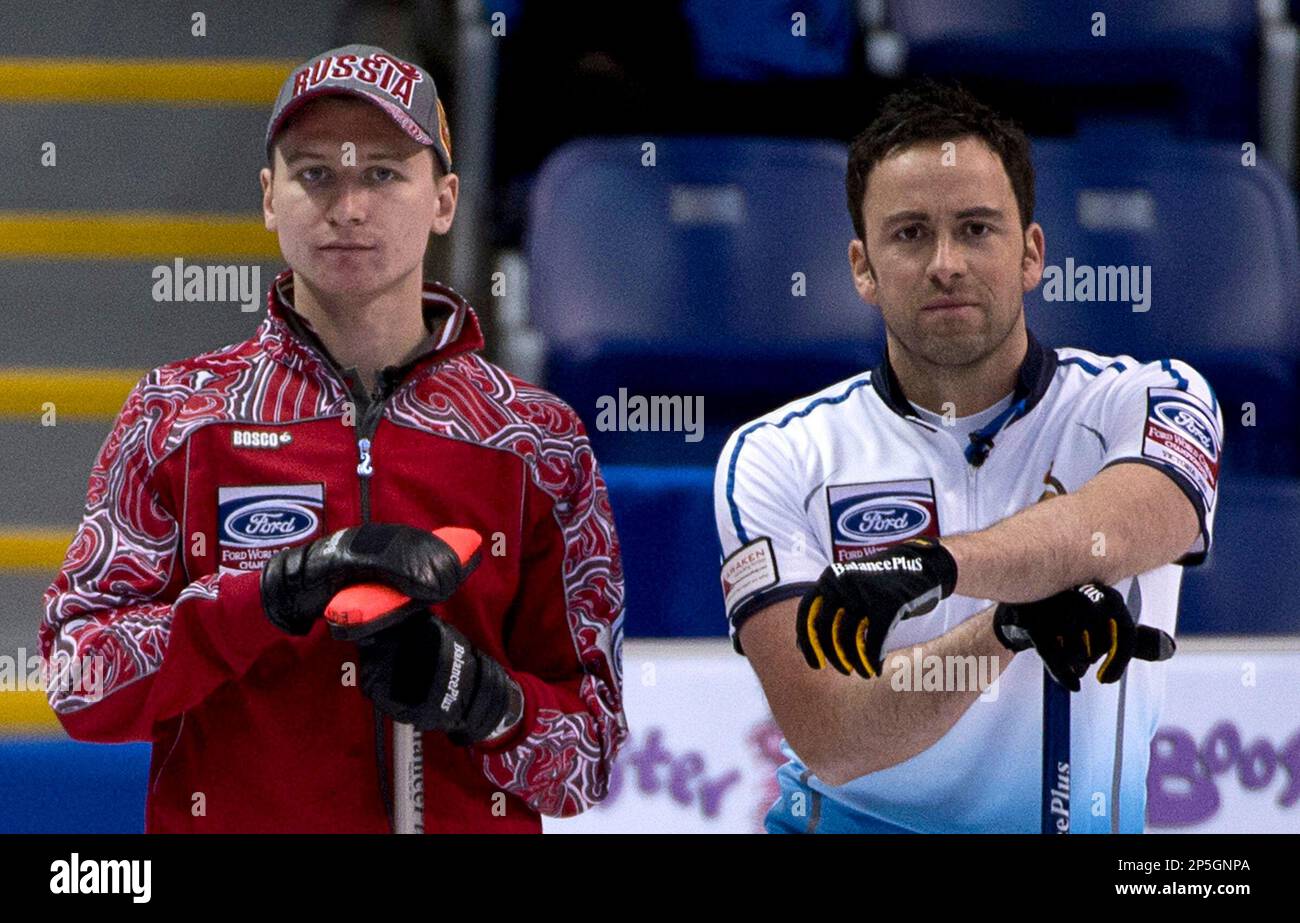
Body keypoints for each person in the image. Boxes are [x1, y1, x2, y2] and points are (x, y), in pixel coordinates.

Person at [40, 44, 626, 833]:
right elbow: (82, 684)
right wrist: (270, 594)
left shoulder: (536, 441)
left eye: (382, 174)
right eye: (315, 173)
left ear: (445, 200)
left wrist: (484, 699)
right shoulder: (178, 414)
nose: (347, 207)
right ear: (268, 199)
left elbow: (591, 755)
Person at [713, 81, 1221, 834]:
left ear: (1032, 253)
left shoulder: (1148, 396)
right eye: (911, 234)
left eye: (977, 228)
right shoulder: (775, 454)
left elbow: (1128, 522)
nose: (946, 263)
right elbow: (832, 739)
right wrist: (1007, 627)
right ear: (862, 267)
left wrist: (937, 565)